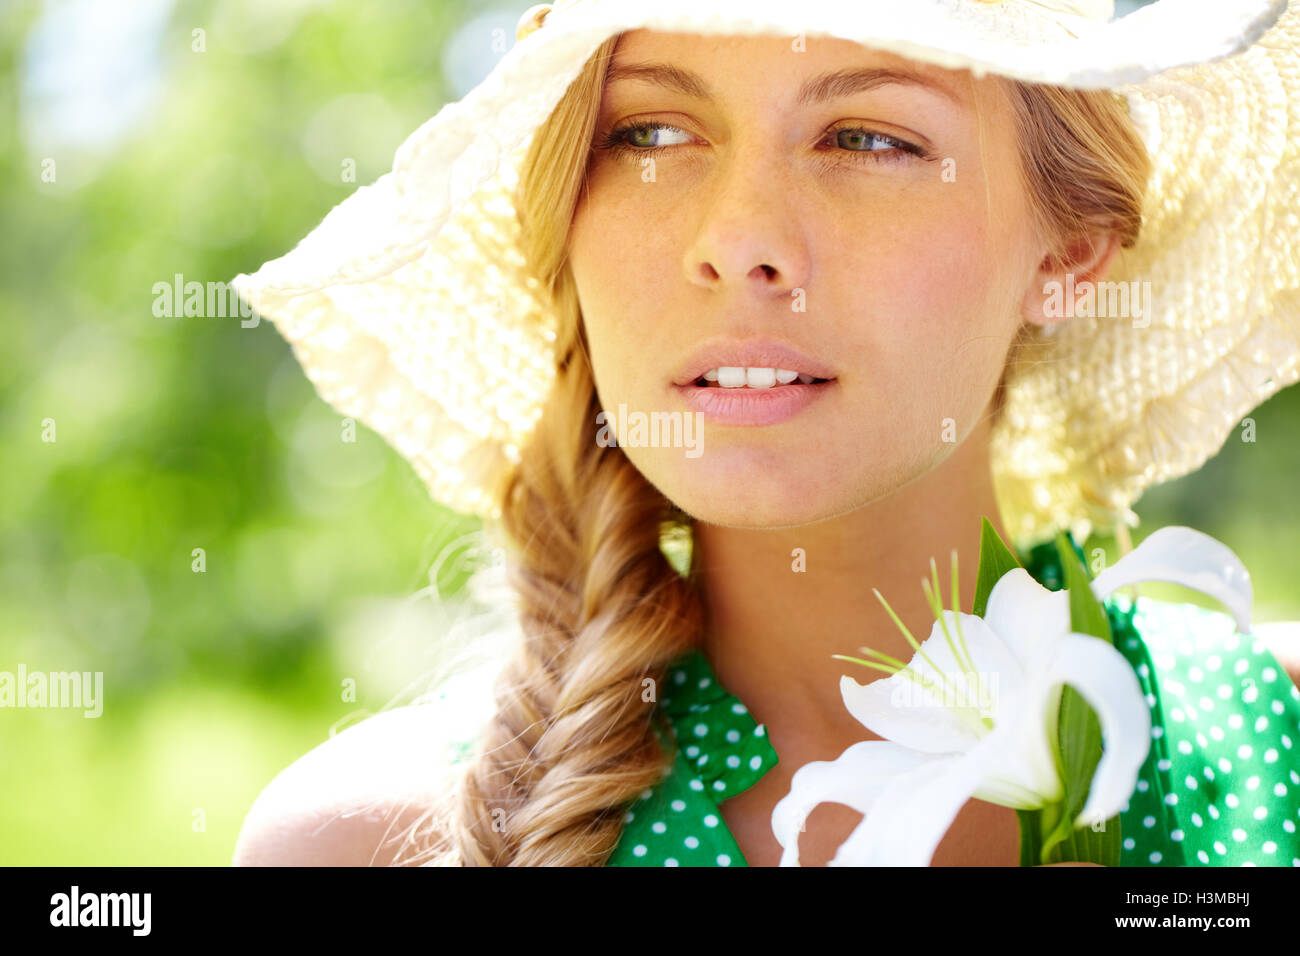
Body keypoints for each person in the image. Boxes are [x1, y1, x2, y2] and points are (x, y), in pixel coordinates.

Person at [229, 0, 1300, 866]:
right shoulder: (372, 842)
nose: (739, 241)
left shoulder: (1269, 751)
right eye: (649, 134)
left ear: (1066, 256)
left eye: (868, 138)